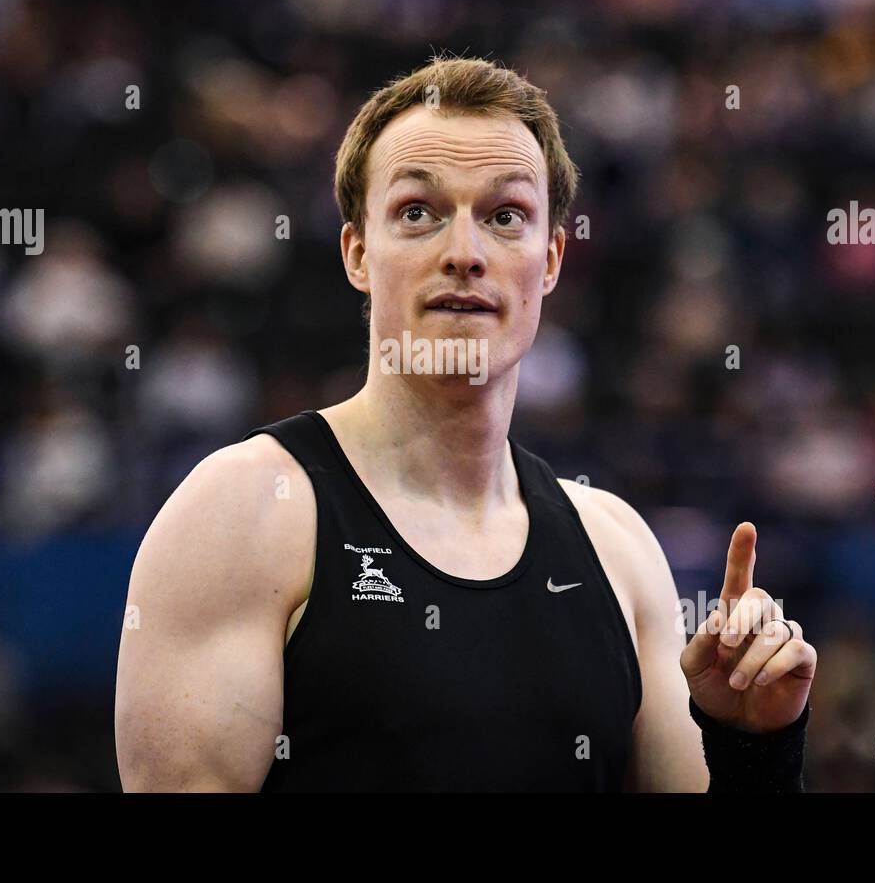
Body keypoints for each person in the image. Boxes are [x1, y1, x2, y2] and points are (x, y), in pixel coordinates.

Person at [114, 56, 816, 791]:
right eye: (418, 212)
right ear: (358, 252)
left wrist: (755, 751)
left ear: (548, 263)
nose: (463, 254)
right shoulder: (244, 513)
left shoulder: (620, 552)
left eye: (504, 217)